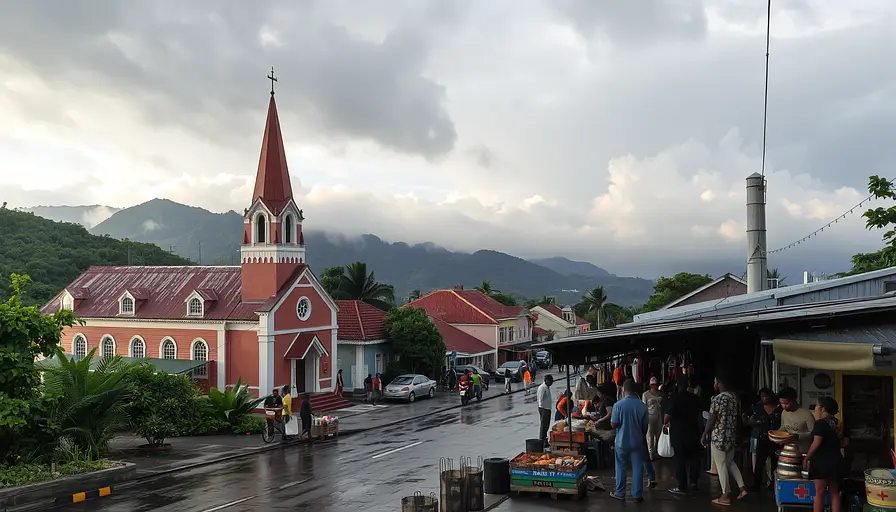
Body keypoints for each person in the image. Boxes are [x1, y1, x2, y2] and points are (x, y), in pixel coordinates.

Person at [701, 375, 747, 505]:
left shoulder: (718, 399)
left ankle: (725, 495)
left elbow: (711, 418)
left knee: (721, 466)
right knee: (730, 462)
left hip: (719, 438)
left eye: (715, 382)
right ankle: (742, 488)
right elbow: (738, 419)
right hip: (731, 436)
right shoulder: (734, 398)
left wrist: (705, 432)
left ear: (719, 383)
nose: (714, 384)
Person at [609, 379, 650, 502]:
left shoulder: (618, 405)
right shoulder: (642, 406)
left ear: (623, 389)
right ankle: (637, 494)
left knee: (621, 466)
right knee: (638, 467)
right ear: (635, 390)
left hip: (621, 442)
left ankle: (620, 493)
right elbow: (645, 427)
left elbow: (613, 424)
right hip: (637, 441)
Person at [803, 397, 844, 512]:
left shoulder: (820, 424)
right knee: (834, 493)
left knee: (819, 493)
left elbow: (816, 442)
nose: (815, 408)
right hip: (836, 460)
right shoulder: (838, 423)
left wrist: (807, 457)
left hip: (822, 462)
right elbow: (844, 442)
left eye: (817, 406)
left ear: (823, 409)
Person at [665, 375, 703, 495]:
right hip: (693, 432)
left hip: (678, 434)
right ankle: (694, 482)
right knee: (694, 458)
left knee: (679, 459)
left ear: (677, 384)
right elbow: (700, 417)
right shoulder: (695, 398)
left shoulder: (674, 399)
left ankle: (682, 485)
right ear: (688, 385)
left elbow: (666, 418)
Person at [746, 388, 782, 492]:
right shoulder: (758, 407)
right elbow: (750, 420)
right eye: (762, 396)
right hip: (762, 438)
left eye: (766, 396)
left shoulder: (779, 409)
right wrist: (754, 422)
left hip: (776, 440)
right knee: (759, 463)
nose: (764, 398)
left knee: (775, 463)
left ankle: (773, 483)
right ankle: (757, 483)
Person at [778, 386, 815, 455]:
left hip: (804, 452)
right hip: (789, 450)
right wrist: (777, 434)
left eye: (786, 403)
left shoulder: (807, 414)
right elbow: (784, 427)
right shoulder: (784, 413)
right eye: (781, 403)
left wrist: (797, 436)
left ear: (794, 400)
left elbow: (814, 434)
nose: (783, 406)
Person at [642, 376, 664, 460]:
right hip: (649, 416)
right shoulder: (646, 394)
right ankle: (650, 453)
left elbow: (664, 405)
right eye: (653, 384)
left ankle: (657, 452)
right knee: (650, 436)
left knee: (658, 435)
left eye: (655, 384)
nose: (654, 386)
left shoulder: (661, 394)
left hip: (659, 416)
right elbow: (643, 407)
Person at [536, 375, 554, 449]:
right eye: (550, 381)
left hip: (547, 408)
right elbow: (540, 399)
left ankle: (544, 440)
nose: (551, 383)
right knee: (544, 426)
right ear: (546, 380)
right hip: (544, 409)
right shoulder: (542, 387)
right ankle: (542, 442)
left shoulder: (547, 387)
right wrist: (542, 409)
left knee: (546, 426)